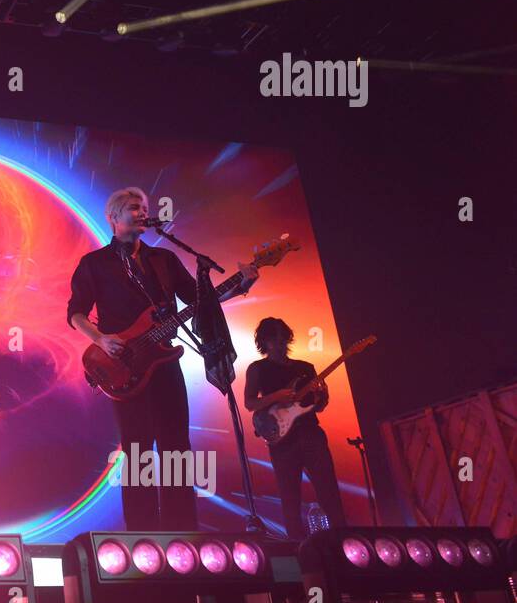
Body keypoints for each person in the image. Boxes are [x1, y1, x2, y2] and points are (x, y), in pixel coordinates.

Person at [67, 187, 257, 531]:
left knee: (176, 448)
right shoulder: (93, 264)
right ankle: (141, 536)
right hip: (124, 365)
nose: (141, 212)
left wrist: (240, 284)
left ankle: (182, 530)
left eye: (143, 208)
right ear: (113, 217)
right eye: (133, 208)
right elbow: (76, 313)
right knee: (137, 450)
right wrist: (101, 338)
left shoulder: (164, 261)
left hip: (165, 363)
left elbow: (202, 300)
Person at [243, 317, 347, 539]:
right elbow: (250, 403)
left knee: (329, 493)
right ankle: (299, 551)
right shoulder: (257, 369)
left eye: (282, 337)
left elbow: (318, 407)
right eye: (274, 338)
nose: (280, 342)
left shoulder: (305, 368)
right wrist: (277, 396)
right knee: (290, 499)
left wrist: (322, 397)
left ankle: (340, 545)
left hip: (311, 433)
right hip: (282, 441)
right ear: (265, 341)